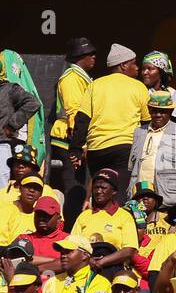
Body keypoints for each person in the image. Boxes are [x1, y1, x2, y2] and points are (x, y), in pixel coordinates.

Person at [69, 44, 150, 193]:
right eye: (134, 63)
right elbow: (147, 123)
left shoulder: (95, 85)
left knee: (100, 193)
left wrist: (75, 149)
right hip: (125, 149)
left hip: (96, 151)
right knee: (119, 194)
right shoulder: (139, 87)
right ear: (124, 65)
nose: (137, 68)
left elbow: (82, 119)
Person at [127, 91, 176, 208]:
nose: (158, 115)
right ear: (149, 111)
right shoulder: (139, 132)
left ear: (170, 112)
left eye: (163, 111)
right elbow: (132, 168)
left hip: (168, 201)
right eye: (154, 111)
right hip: (139, 200)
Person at [49, 37, 96, 216]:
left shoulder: (83, 79)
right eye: (89, 54)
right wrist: (80, 144)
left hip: (76, 140)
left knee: (80, 188)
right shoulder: (70, 78)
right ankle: (70, 228)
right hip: (68, 139)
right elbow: (74, 113)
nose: (93, 57)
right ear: (78, 56)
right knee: (74, 189)